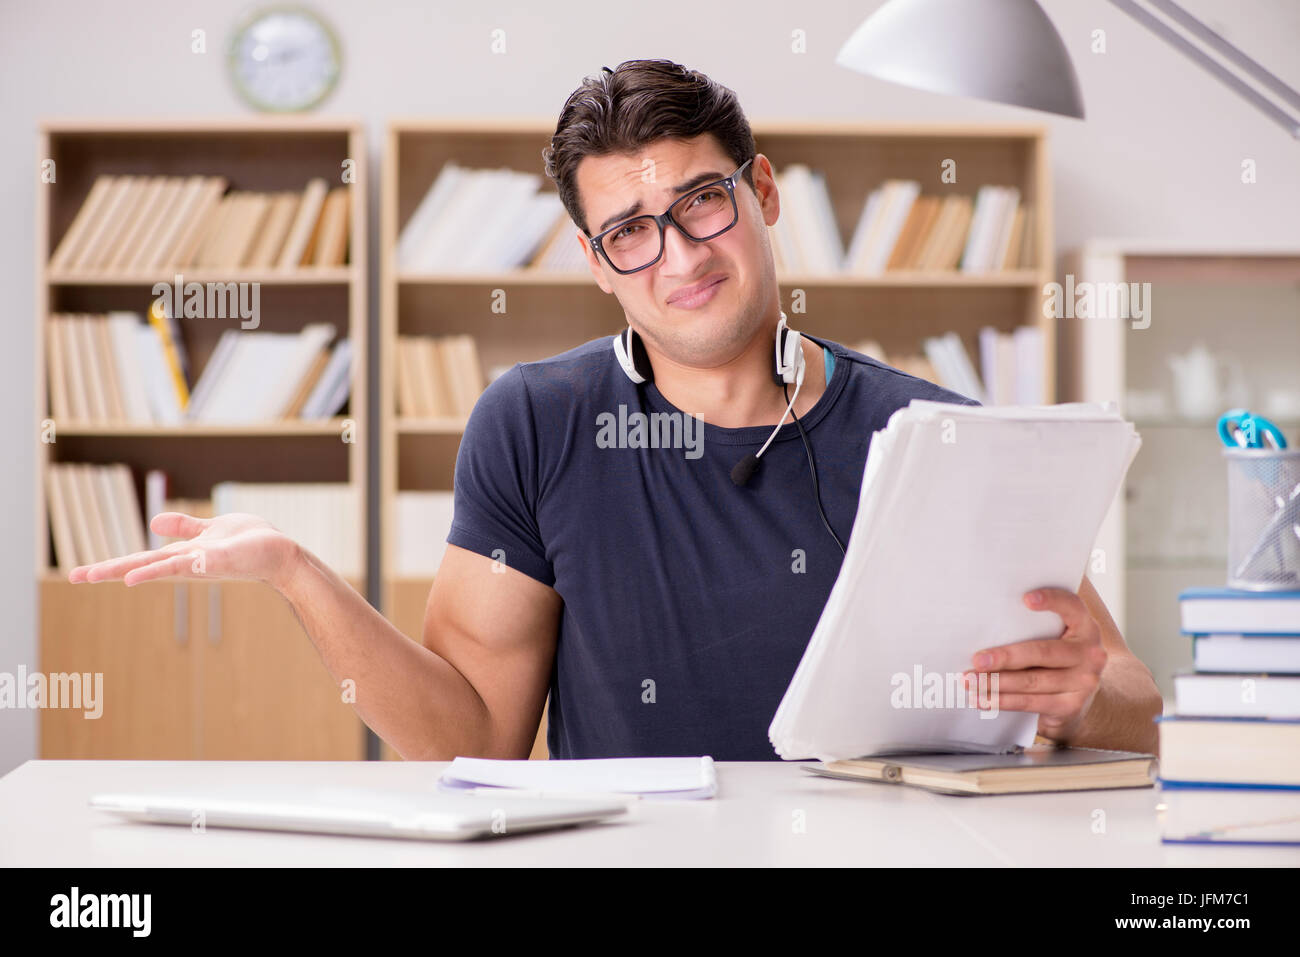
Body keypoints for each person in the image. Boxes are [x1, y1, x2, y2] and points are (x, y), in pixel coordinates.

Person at [69, 59, 1162, 761]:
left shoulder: (937, 435)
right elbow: (473, 738)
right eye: (629, 231)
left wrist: (1082, 702)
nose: (679, 256)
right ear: (596, 264)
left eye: (701, 202)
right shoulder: (534, 423)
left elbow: (1131, 695)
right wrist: (301, 580)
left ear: (762, 192)